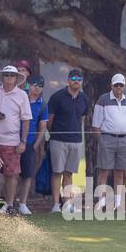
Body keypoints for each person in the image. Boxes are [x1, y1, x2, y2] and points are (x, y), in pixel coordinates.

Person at [0, 65, 32, 214]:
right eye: (6, 75)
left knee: (11, 174)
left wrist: (23, 141)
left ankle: (10, 204)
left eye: (11, 75)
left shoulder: (22, 95)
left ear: (16, 78)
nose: (9, 78)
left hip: (12, 140)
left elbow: (26, 119)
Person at [45, 70, 91, 213]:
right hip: (58, 140)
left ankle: (67, 204)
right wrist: (54, 134)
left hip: (76, 141)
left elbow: (82, 118)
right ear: (68, 80)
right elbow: (50, 120)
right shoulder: (57, 97)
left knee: (69, 173)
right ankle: (55, 205)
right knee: (57, 172)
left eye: (79, 78)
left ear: (81, 81)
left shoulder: (84, 98)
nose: (76, 81)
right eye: (73, 78)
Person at [91, 73, 126, 212]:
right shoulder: (103, 99)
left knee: (120, 173)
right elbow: (95, 125)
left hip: (125, 139)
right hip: (107, 138)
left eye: (121, 85)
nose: (118, 88)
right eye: (116, 85)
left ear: (124, 86)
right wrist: (102, 141)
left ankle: (118, 203)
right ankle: (102, 202)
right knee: (104, 172)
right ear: (111, 86)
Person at [17, 75, 49, 216]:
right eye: (34, 84)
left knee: (27, 175)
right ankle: (8, 202)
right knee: (10, 174)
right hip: (12, 140)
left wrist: (35, 145)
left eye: (39, 86)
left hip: (29, 144)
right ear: (29, 85)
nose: (36, 88)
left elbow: (42, 128)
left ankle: (22, 203)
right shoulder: (19, 96)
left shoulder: (42, 105)